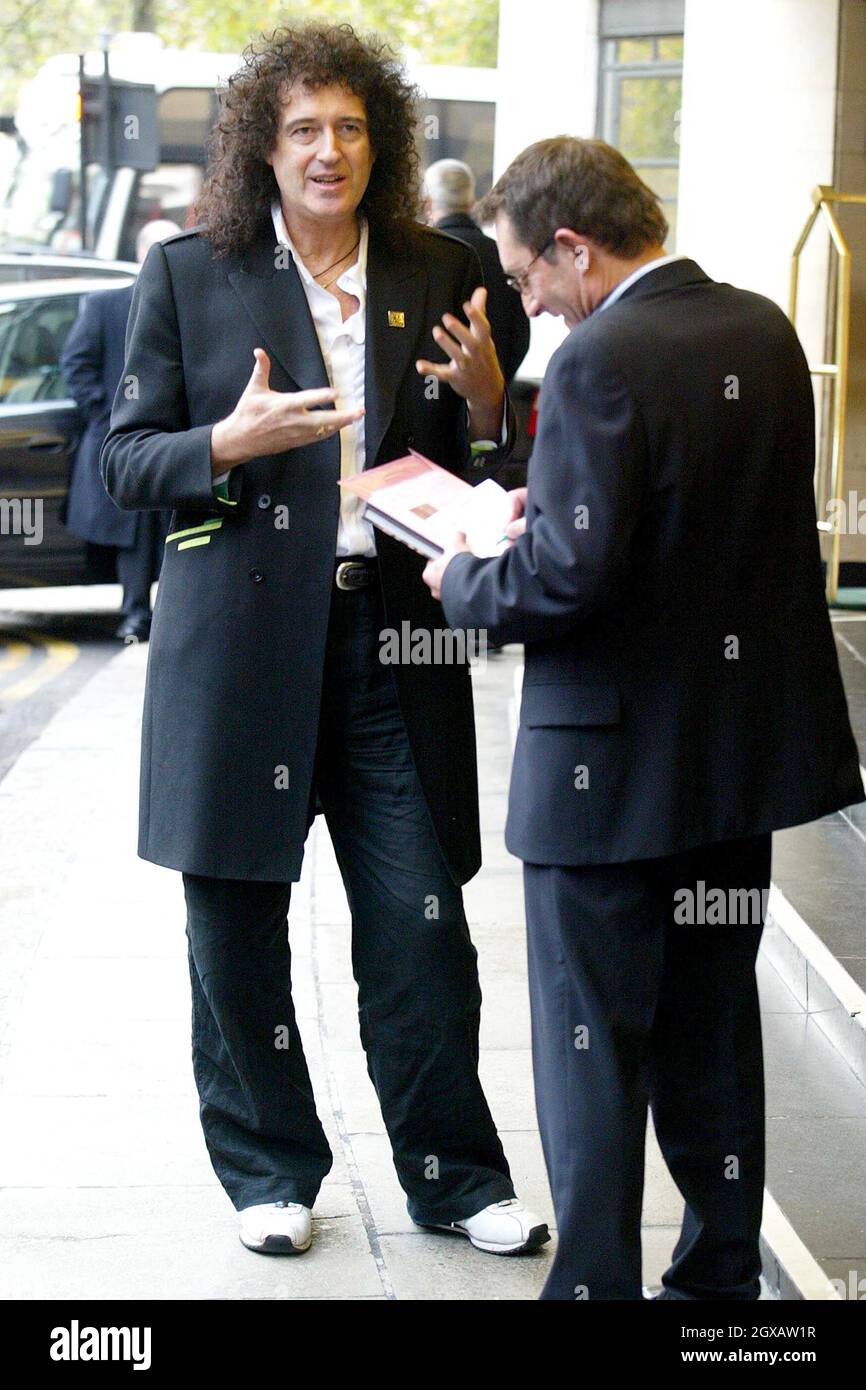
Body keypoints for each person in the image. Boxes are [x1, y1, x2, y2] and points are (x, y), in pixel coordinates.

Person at [101, 24, 548, 1261]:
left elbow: (482, 471)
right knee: (234, 928)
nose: (328, 148)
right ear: (263, 144)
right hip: (241, 659)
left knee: (420, 927)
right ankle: (270, 1170)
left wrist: (484, 402)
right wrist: (221, 446)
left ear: (381, 141)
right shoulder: (192, 273)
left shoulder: (440, 262)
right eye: (303, 127)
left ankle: (454, 1176)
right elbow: (121, 463)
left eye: (349, 126)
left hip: (389, 651)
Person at [423, 136, 865, 1300]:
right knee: (712, 1031)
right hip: (730, 770)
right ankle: (717, 1281)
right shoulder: (760, 330)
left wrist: (464, 576)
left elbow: (569, 584)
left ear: (574, 246)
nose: (530, 304)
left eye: (525, 279)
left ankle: (594, 1291)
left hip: (604, 783)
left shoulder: (599, 358)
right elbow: (694, 525)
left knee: (591, 1051)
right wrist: (547, 506)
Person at [60, 220, 180, 641]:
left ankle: (167, 616)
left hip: (176, 442)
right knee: (135, 534)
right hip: (126, 443)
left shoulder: (187, 302)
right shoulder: (105, 305)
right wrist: (108, 417)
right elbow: (76, 366)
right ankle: (136, 615)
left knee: (177, 531)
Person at [423, 159, 530, 386]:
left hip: (435, 401)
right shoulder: (501, 254)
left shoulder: (419, 258)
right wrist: (497, 386)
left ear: (428, 204)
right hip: (494, 398)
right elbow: (520, 336)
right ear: (472, 201)